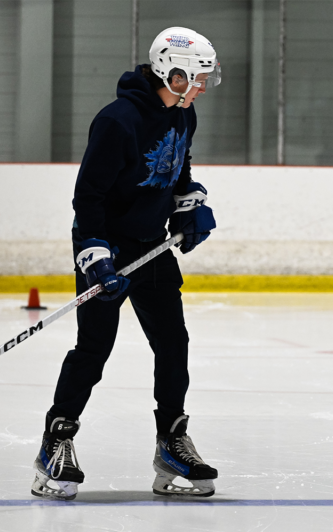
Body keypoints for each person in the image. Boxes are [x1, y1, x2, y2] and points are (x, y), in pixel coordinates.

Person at [31, 27, 221, 500]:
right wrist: (94, 254)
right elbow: (88, 196)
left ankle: (171, 441)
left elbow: (180, 171)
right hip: (108, 251)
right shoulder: (118, 121)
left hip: (151, 249)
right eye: (195, 79)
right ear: (170, 73)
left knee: (174, 344)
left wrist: (189, 204)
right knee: (94, 351)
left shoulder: (183, 115)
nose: (200, 89)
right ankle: (55, 442)